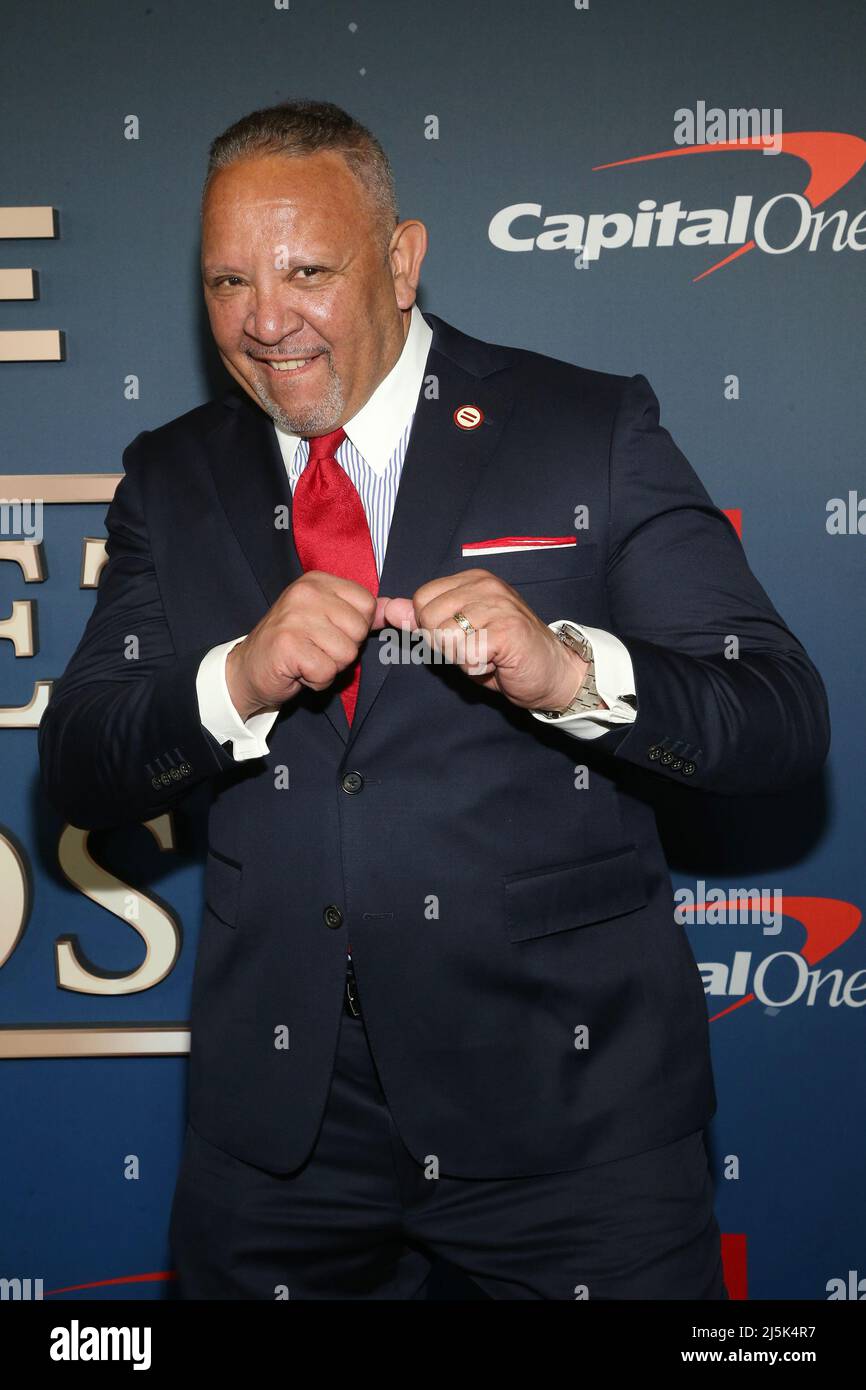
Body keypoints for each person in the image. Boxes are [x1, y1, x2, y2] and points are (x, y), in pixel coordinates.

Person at [38, 99, 830, 1300]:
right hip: (281, 1140)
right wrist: (234, 677)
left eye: (308, 270)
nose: (263, 321)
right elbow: (85, 764)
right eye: (227, 282)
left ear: (401, 260)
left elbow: (775, 715)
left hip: (569, 1125)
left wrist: (570, 671)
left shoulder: (584, 428)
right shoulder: (172, 473)